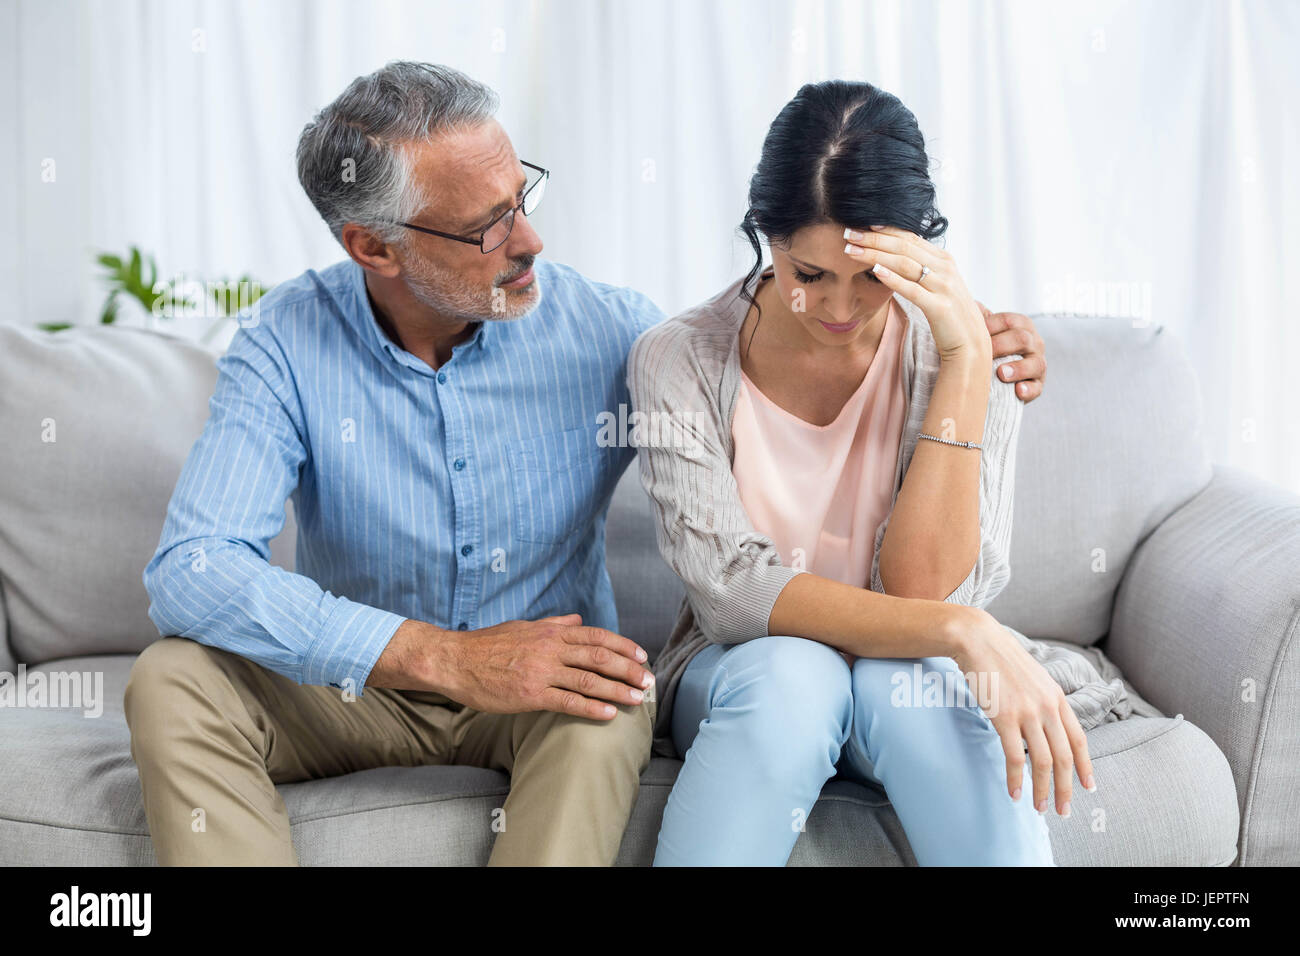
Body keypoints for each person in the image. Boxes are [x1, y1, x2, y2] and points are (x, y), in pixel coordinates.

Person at [125, 62, 1051, 867]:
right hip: (359, 685)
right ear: (374, 246)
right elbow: (193, 571)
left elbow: (759, 357)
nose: (530, 242)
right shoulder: (286, 342)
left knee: (610, 699)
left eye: (522, 198)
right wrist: (443, 657)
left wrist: (973, 357)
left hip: (550, 689)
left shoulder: (610, 331)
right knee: (170, 679)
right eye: (486, 227)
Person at [628, 79, 1127, 866]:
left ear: (918, 248)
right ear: (766, 233)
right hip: (749, 675)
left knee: (909, 689)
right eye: (808, 273)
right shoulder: (679, 359)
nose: (838, 308)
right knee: (796, 679)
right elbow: (730, 595)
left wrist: (964, 365)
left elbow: (927, 589)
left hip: (906, 674)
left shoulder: (975, 351)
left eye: (871, 276)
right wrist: (964, 631)